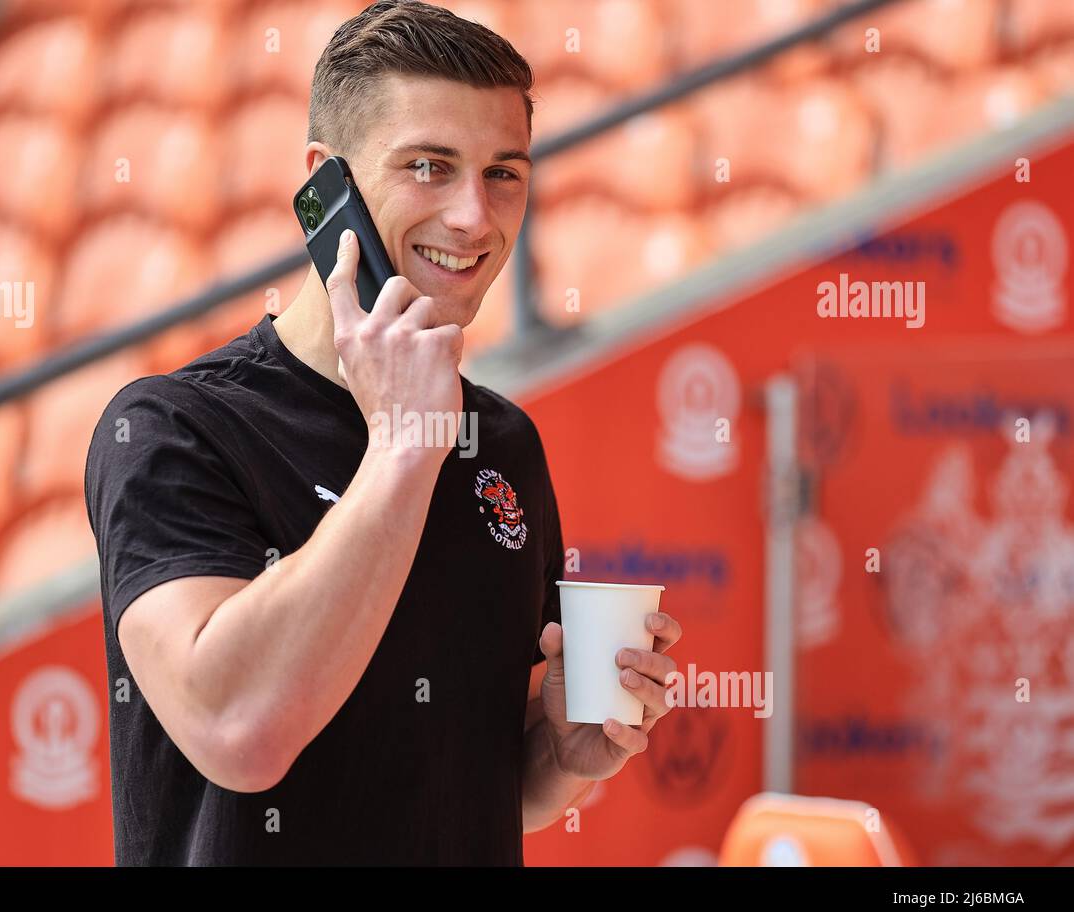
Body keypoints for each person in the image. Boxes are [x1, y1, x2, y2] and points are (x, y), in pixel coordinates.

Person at [84, 0, 683, 866]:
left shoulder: (503, 442)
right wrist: (404, 445)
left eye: (504, 173)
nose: (475, 217)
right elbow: (238, 730)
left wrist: (565, 754)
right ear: (326, 185)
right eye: (430, 167)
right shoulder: (173, 430)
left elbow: (462, 781)